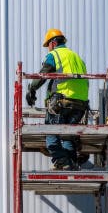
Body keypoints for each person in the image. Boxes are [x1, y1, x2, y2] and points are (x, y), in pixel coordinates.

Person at [26, 28, 90, 170]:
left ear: (53, 43)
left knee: (51, 134)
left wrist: (31, 89)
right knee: (67, 136)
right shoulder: (77, 57)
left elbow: (43, 75)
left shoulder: (55, 55)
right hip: (80, 105)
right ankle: (70, 163)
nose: (48, 49)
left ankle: (62, 160)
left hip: (62, 102)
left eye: (48, 45)